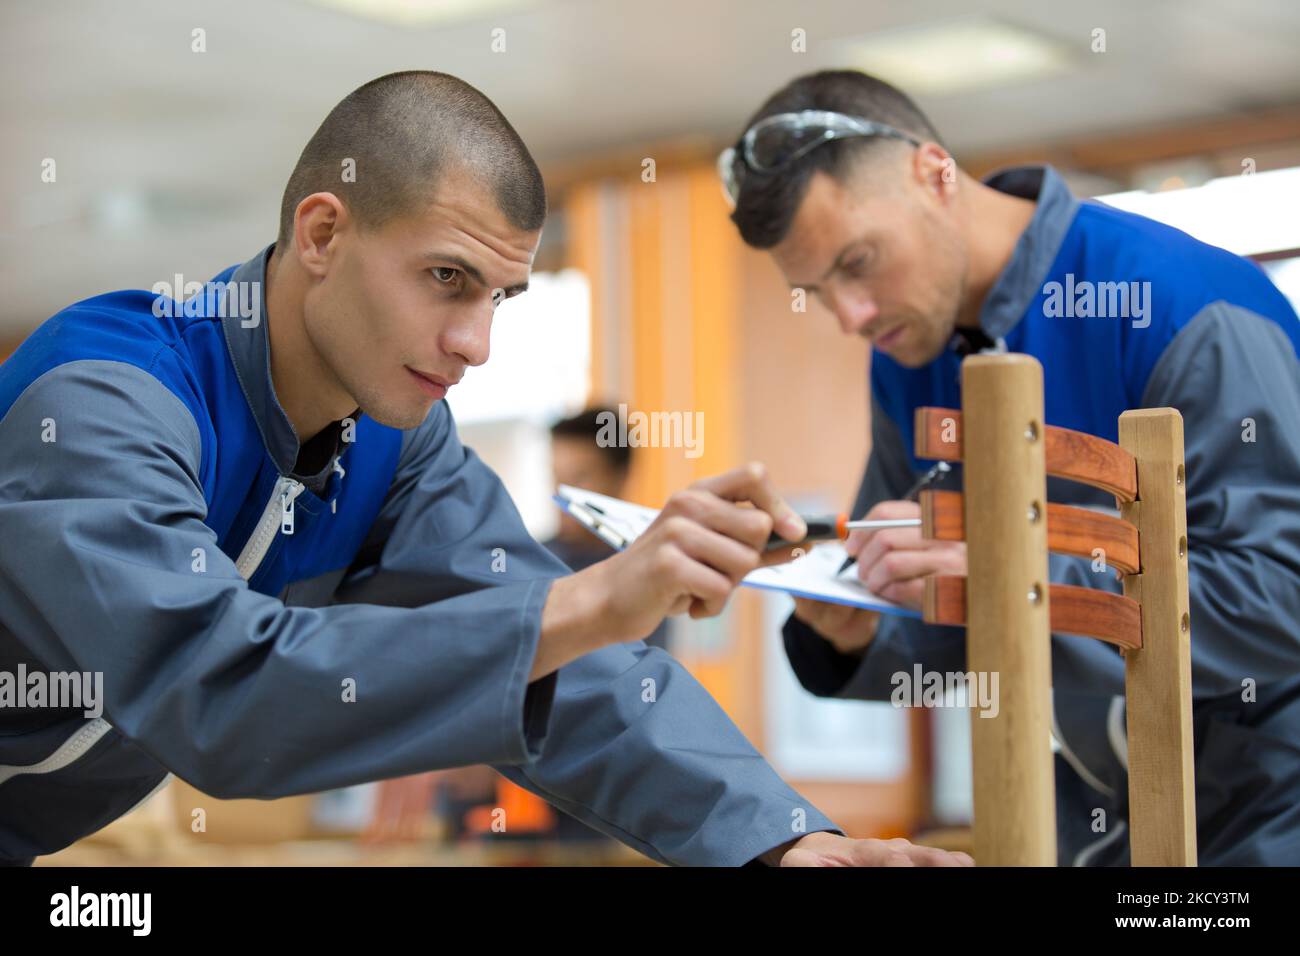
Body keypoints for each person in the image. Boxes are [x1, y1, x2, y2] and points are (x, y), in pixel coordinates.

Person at [0, 70, 970, 868]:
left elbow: (561, 674)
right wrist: (597, 598)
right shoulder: (106, 397)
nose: (474, 344)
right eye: (444, 278)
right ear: (322, 233)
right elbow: (215, 691)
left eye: (501, 296)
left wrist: (781, 840)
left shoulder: (397, 441)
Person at [720, 69, 1300, 865]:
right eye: (815, 290)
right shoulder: (906, 358)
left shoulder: (1184, 307)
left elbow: (1283, 600)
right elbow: (955, 624)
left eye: (858, 263)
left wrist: (1010, 570)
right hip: (1094, 820)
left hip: (1272, 813)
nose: (849, 317)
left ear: (934, 173)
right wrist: (854, 635)